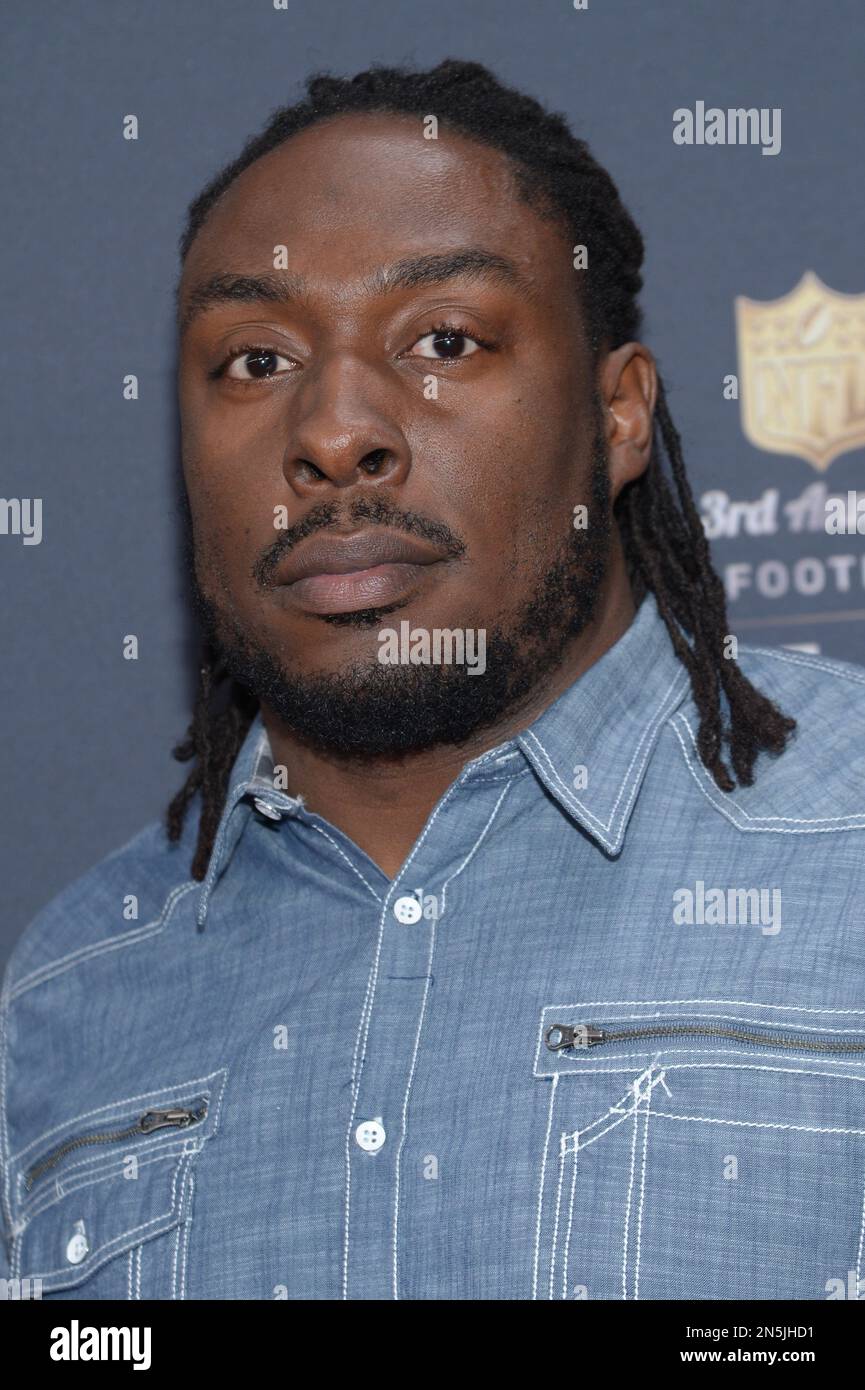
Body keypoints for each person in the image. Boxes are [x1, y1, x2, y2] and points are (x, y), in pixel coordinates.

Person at [3, 59, 864, 1303]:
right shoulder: (67, 996)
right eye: (253, 360)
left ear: (619, 415)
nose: (335, 428)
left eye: (445, 340)